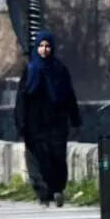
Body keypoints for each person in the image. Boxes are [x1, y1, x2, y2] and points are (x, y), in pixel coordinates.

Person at [15, 31, 81, 207]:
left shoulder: (59, 70)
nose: (44, 50)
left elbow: (69, 95)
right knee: (37, 160)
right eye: (41, 46)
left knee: (57, 158)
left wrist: (75, 118)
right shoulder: (30, 70)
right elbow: (21, 99)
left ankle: (58, 190)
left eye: (47, 46)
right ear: (37, 48)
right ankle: (43, 194)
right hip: (34, 125)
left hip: (57, 122)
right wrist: (21, 124)